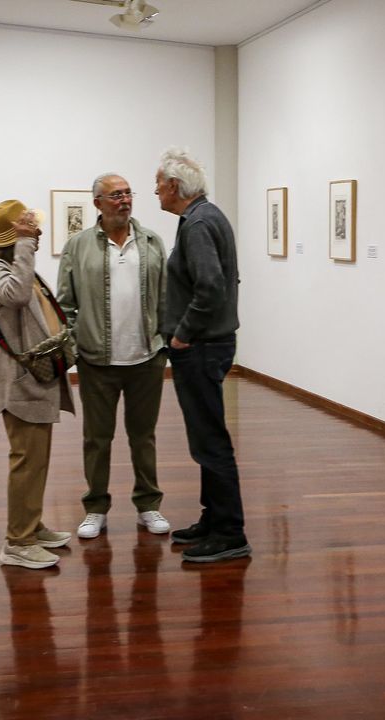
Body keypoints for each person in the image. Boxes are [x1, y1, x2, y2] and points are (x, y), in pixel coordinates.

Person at [57, 173, 171, 540]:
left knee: (144, 436)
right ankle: (95, 508)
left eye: (127, 194)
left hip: (145, 358)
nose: (124, 200)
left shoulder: (152, 241)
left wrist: (163, 342)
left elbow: (165, 296)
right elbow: (65, 304)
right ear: (98, 204)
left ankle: (148, 506)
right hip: (97, 361)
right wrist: (75, 346)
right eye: (115, 195)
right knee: (97, 438)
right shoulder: (78, 246)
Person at [154, 147, 249, 563]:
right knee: (205, 437)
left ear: (174, 186)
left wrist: (182, 335)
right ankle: (213, 519)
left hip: (201, 346)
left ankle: (230, 532)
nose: (155, 191)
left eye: (158, 183)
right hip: (210, 343)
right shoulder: (203, 217)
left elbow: (210, 287)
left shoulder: (197, 224)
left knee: (210, 440)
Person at [0, 200, 76, 569]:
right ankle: (17, 542)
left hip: (36, 379)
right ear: (12, 236)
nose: (37, 231)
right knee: (26, 460)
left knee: (37, 460)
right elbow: (16, 296)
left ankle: (30, 525)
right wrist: (25, 245)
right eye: (29, 227)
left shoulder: (14, 265)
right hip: (19, 382)